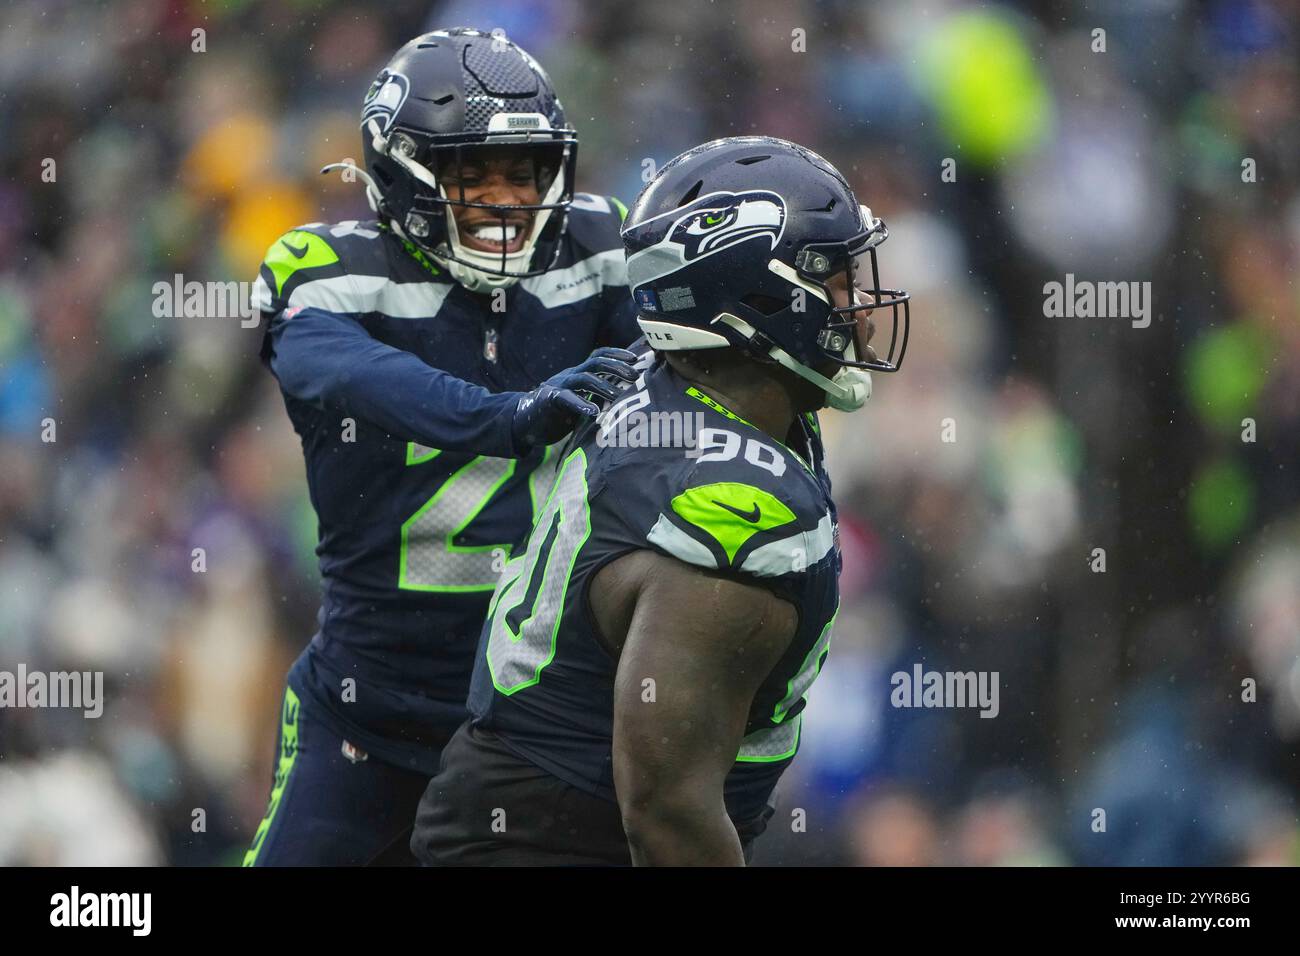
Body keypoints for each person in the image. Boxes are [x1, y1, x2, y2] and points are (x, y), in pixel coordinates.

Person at [411, 135, 911, 865]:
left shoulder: (675, 381)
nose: (860, 306)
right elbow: (666, 810)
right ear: (758, 299)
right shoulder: (732, 512)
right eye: (834, 278)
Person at [243, 27, 640, 866]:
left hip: (536, 728)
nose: (504, 198)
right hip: (368, 715)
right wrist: (510, 415)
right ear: (403, 171)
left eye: (524, 172)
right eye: (473, 172)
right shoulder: (328, 268)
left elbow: (704, 352)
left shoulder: (598, 251)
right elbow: (352, 375)